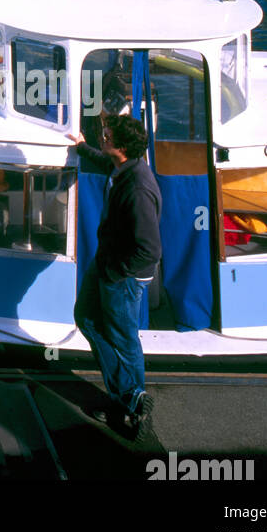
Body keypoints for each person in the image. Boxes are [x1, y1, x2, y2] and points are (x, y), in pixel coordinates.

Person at [69, 114, 162, 440]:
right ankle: (128, 394)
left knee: (124, 340)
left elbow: (149, 250)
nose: (102, 135)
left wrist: (114, 273)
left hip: (121, 275)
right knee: (87, 318)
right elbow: (104, 160)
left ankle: (131, 402)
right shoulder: (124, 167)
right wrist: (82, 148)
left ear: (120, 146)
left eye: (106, 134)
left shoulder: (137, 187)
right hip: (109, 263)